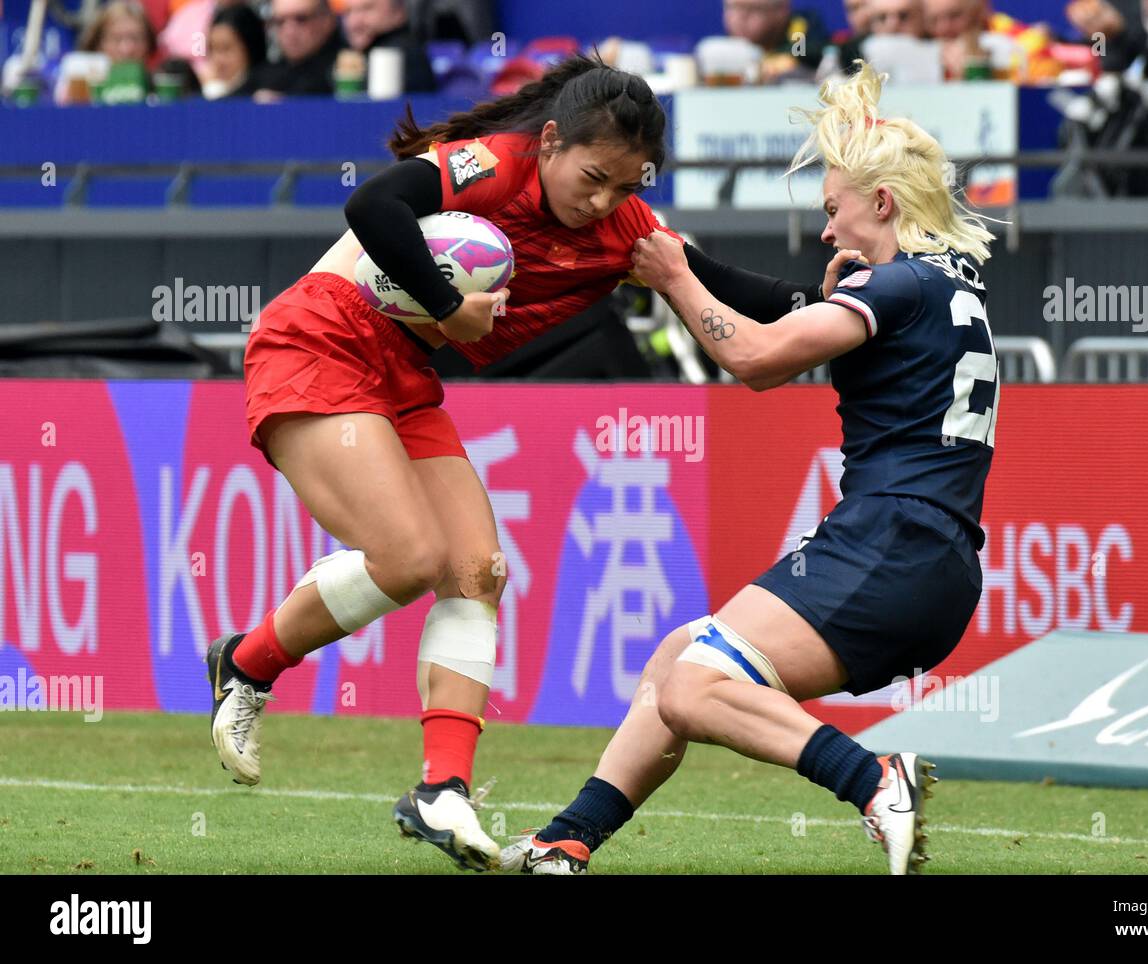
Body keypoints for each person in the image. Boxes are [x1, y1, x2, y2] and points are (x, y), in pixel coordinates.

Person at [500, 63, 1001, 876]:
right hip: (925, 560)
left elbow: (760, 358)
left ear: (882, 203)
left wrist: (671, 279)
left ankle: (874, 780)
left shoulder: (897, 285)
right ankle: (569, 839)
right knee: (676, 663)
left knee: (697, 688)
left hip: (891, 542)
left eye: (834, 210)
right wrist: (670, 253)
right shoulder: (940, 285)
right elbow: (778, 303)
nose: (828, 231)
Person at [206, 53, 671, 874]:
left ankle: (441, 791)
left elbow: (719, 280)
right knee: (409, 557)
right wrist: (454, 309)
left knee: (475, 568)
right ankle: (247, 664)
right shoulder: (495, 162)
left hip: (403, 375)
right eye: (595, 177)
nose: (604, 202)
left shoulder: (618, 226)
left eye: (626, 187)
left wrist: (836, 300)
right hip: (321, 336)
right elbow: (374, 202)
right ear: (554, 141)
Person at [342, 0, 438, 93]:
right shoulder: (353, 51)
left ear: (398, 12)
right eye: (348, 11)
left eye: (367, 9)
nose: (354, 22)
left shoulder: (401, 53)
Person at [254, 0, 345, 97]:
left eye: (301, 19)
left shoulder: (348, 69)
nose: (289, 31)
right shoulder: (263, 75)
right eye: (280, 22)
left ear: (327, 20)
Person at [204, 3, 267, 98]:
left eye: (226, 49)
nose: (218, 60)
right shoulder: (207, 90)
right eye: (213, 49)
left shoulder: (266, 91)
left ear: (250, 48)